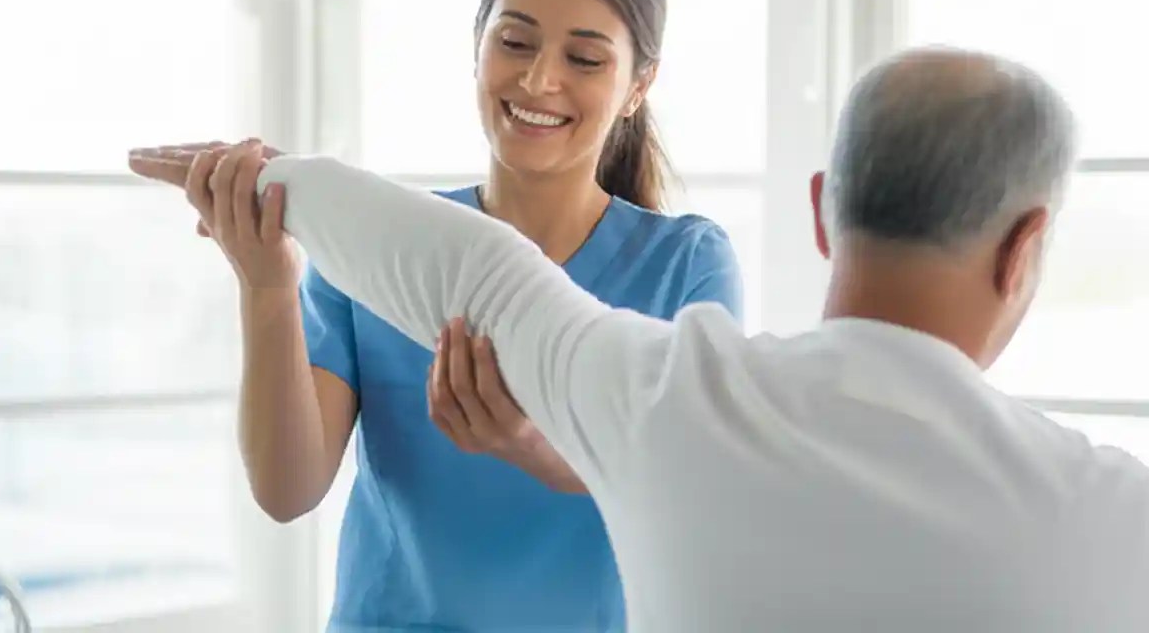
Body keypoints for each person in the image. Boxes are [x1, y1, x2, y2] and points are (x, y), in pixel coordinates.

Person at [132, 46, 1149, 631]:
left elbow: (460, 267)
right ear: (1025, 249)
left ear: (820, 211)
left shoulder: (670, 394)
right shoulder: (1110, 517)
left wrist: (265, 182)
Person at [133, 0, 743, 631]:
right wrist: (266, 284)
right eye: (515, 43)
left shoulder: (687, 266)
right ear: (477, 48)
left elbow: (693, 491)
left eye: (584, 58)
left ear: (639, 85)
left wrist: (528, 446)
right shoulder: (375, 246)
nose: (541, 79)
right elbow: (285, 489)